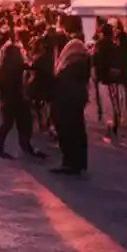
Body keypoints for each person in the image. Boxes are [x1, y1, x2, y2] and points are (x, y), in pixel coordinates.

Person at [0, 42, 46, 159]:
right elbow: (31, 66)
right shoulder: (15, 67)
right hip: (15, 99)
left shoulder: (3, 68)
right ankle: (23, 146)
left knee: (12, 124)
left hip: (10, 100)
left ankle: (1, 147)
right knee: (19, 124)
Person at [51, 37, 91, 175]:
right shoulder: (84, 63)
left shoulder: (69, 68)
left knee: (67, 131)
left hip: (66, 101)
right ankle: (79, 162)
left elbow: (62, 83)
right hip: (77, 99)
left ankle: (69, 162)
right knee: (78, 130)